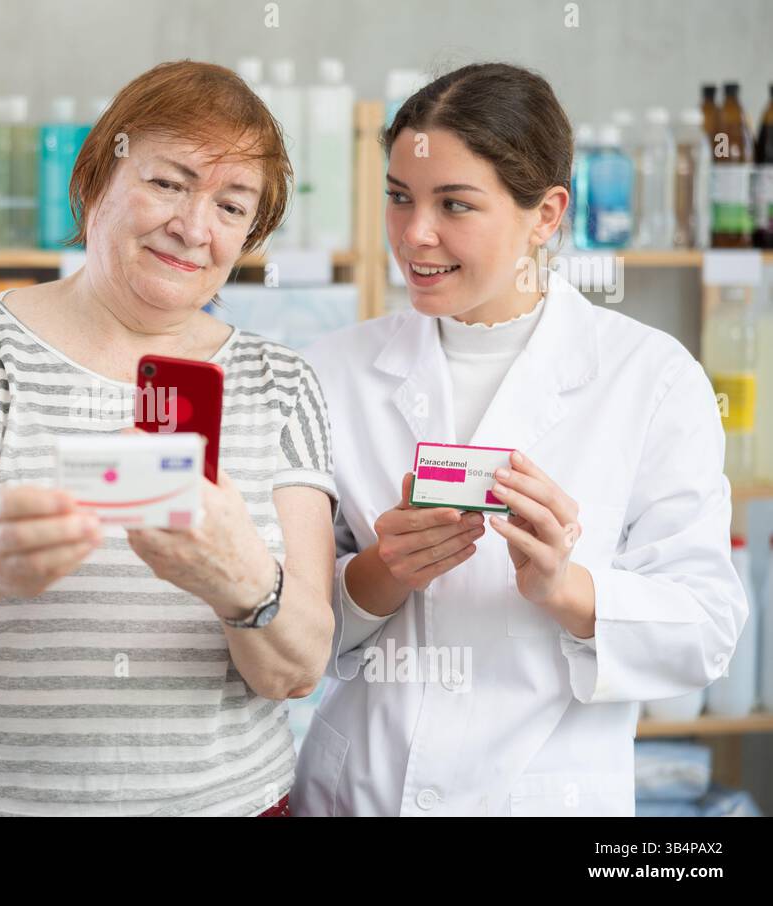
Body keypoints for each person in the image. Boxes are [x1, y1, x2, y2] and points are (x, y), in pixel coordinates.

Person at [0, 60, 338, 816]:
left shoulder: (282, 384)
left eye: (232, 207)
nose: (193, 227)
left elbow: (298, 670)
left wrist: (244, 580)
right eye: (168, 182)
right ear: (96, 178)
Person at [293, 62, 747, 816]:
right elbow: (284, 627)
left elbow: (707, 630)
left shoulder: (651, 378)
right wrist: (382, 572)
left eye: (455, 205)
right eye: (399, 198)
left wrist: (565, 588)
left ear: (546, 215)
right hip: (361, 792)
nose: (416, 234)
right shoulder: (330, 371)